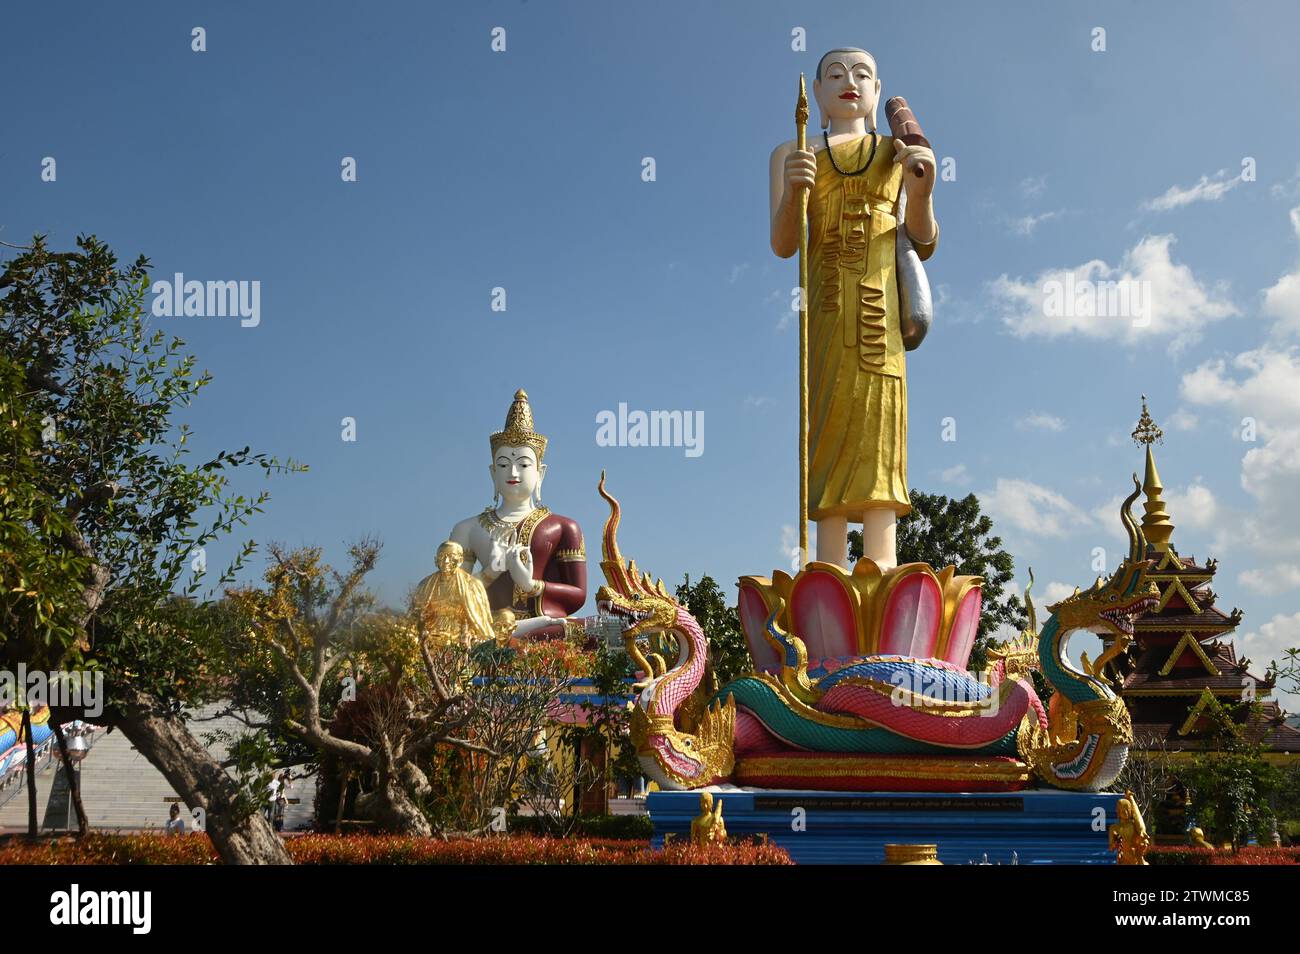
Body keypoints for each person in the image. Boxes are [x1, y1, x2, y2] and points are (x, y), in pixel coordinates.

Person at [769, 48, 938, 569]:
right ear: (817, 95)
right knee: (830, 420)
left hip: (880, 310)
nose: (849, 82)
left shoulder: (896, 150)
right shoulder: (793, 151)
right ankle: (829, 568)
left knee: (880, 423)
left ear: (878, 88)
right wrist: (794, 192)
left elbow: (924, 238)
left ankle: (882, 567)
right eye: (836, 75)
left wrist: (922, 189)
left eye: (861, 74)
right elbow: (783, 244)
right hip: (825, 305)